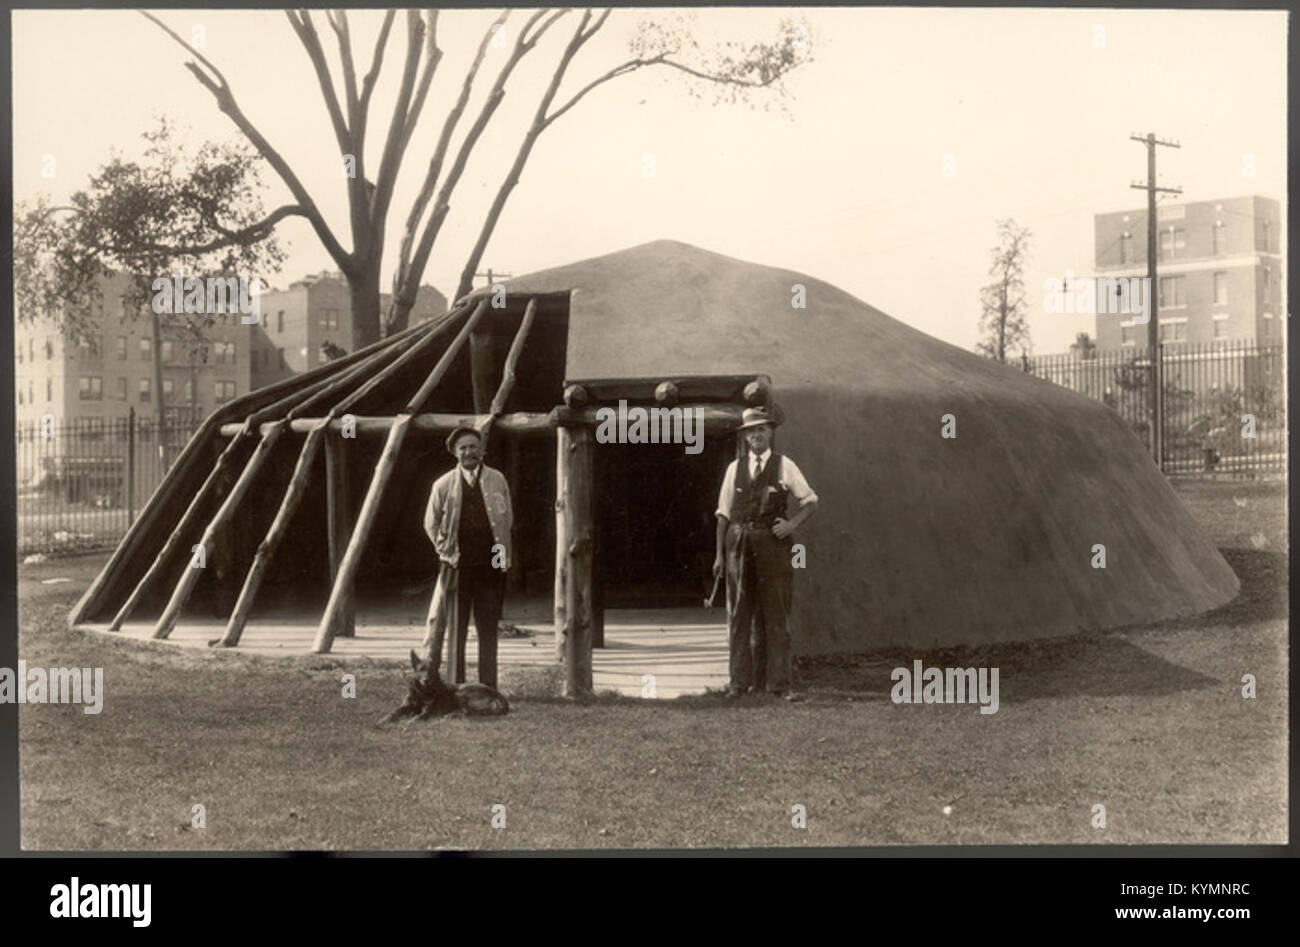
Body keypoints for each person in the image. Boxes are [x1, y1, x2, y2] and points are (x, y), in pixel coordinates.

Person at [713, 407, 818, 700]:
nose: (756, 435)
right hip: (738, 545)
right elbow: (722, 514)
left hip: (773, 545)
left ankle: (780, 685)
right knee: (739, 615)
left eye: (761, 429)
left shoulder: (784, 465)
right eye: (750, 431)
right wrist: (720, 556)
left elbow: (810, 501)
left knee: (776, 613)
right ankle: (738, 683)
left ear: (770, 432)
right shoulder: (734, 468)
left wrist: (792, 524)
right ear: (745, 437)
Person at [423, 425, 513, 688]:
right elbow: (430, 522)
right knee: (456, 626)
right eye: (463, 448)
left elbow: (507, 517)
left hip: (491, 564)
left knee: (488, 625)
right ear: (455, 453)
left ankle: (488, 685)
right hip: (457, 565)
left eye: (473, 446)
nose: (469, 452)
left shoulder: (498, 479)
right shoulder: (442, 484)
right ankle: (456, 684)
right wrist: (445, 549)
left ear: (482, 449)